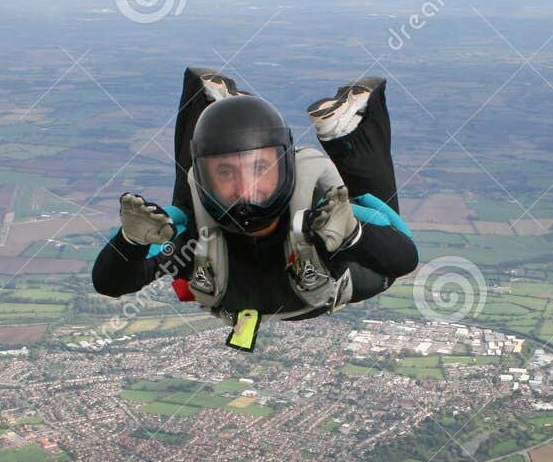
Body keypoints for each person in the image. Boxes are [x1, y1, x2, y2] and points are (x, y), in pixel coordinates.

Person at [92, 67, 419, 349]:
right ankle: (345, 131)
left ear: (283, 167)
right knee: (191, 208)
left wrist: (353, 234)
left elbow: (401, 257)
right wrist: (130, 242)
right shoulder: (190, 238)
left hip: (313, 289)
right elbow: (112, 283)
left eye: (259, 169)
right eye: (225, 173)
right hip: (279, 294)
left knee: (367, 234)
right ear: (207, 176)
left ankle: (348, 131)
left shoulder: (319, 222)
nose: (245, 189)